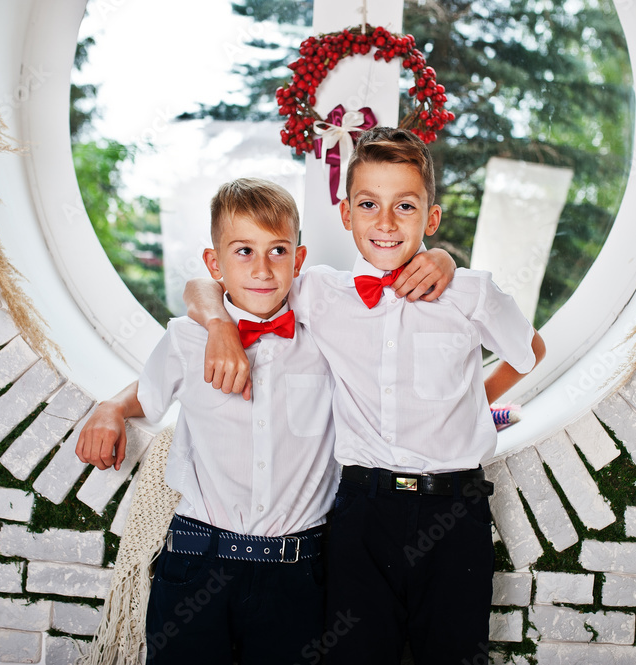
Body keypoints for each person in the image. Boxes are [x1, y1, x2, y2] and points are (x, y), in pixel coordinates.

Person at [183, 128, 546, 665]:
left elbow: (530, 349)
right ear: (345, 213)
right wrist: (217, 325)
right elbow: (210, 285)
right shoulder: (319, 294)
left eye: (405, 206)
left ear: (432, 217)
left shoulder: (470, 293)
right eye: (369, 204)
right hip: (360, 513)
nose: (386, 222)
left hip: (455, 512)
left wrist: (476, 403)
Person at [75, 177, 455, 664]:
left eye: (278, 251)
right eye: (243, 252)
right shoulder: (190, 338)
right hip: (195, 561)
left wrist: (441, 258)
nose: (261, 269)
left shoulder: (328, 333)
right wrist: (110, 408)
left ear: (298, 261)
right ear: (215, 264)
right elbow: (147, 396)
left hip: (295, 573)